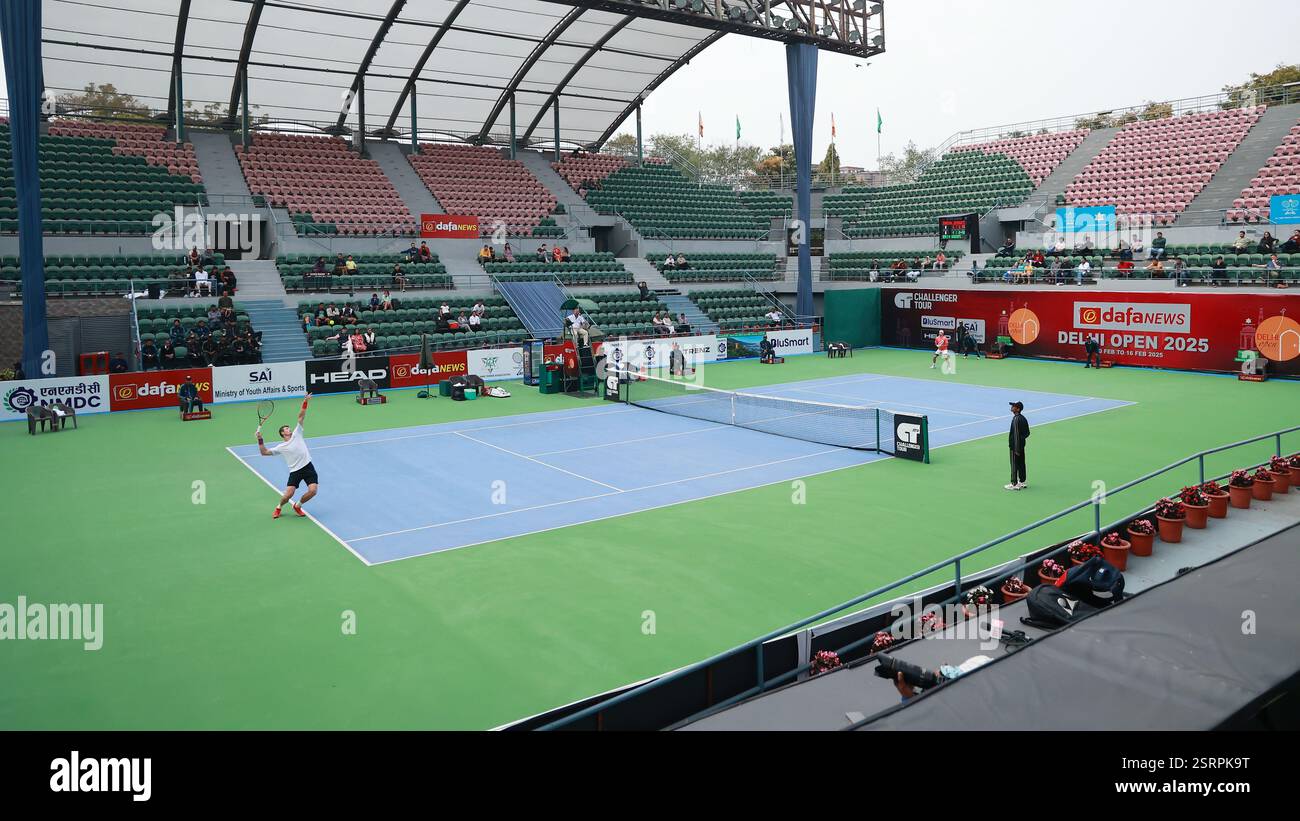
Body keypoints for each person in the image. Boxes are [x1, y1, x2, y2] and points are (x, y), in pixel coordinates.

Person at [258, 394, 318, 520]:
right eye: (286, 428)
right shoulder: (280, 447)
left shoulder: (297, 433)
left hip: (308, 466)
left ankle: (298, 505)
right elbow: (264, 452)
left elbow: (301, 416)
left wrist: (305, 402)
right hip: (295, 471)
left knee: (313, 491)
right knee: (288, 495)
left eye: (288, 427)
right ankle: (279, 507)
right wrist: (260, 439)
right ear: (282, 433)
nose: (288, 428)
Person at [1006, 401, 1030, 490]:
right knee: (1021, 463)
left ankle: (1014, 483)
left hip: (1015, 447)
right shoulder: (1023, 418)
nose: (1012, 407)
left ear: (1018, 409)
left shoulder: (1016, 419)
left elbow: (1016, 434)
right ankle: (1022, 481)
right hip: (1021, 446)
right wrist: (1021, 443)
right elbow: (1027, 433)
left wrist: (1016, 448)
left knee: (1014, 464)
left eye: (1014, 406)